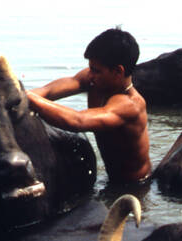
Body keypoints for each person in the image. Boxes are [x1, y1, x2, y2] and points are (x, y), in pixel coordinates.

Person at [26, 28, 151, 184]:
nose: (89, 74)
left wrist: (27, 98)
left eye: (96, 70)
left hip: (135, 185)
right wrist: (16, 93)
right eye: (90, 67)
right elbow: (48, 91)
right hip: (109, 178)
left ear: (118, 71)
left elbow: (79, 121)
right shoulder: (95, 79)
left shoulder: (130, 105)